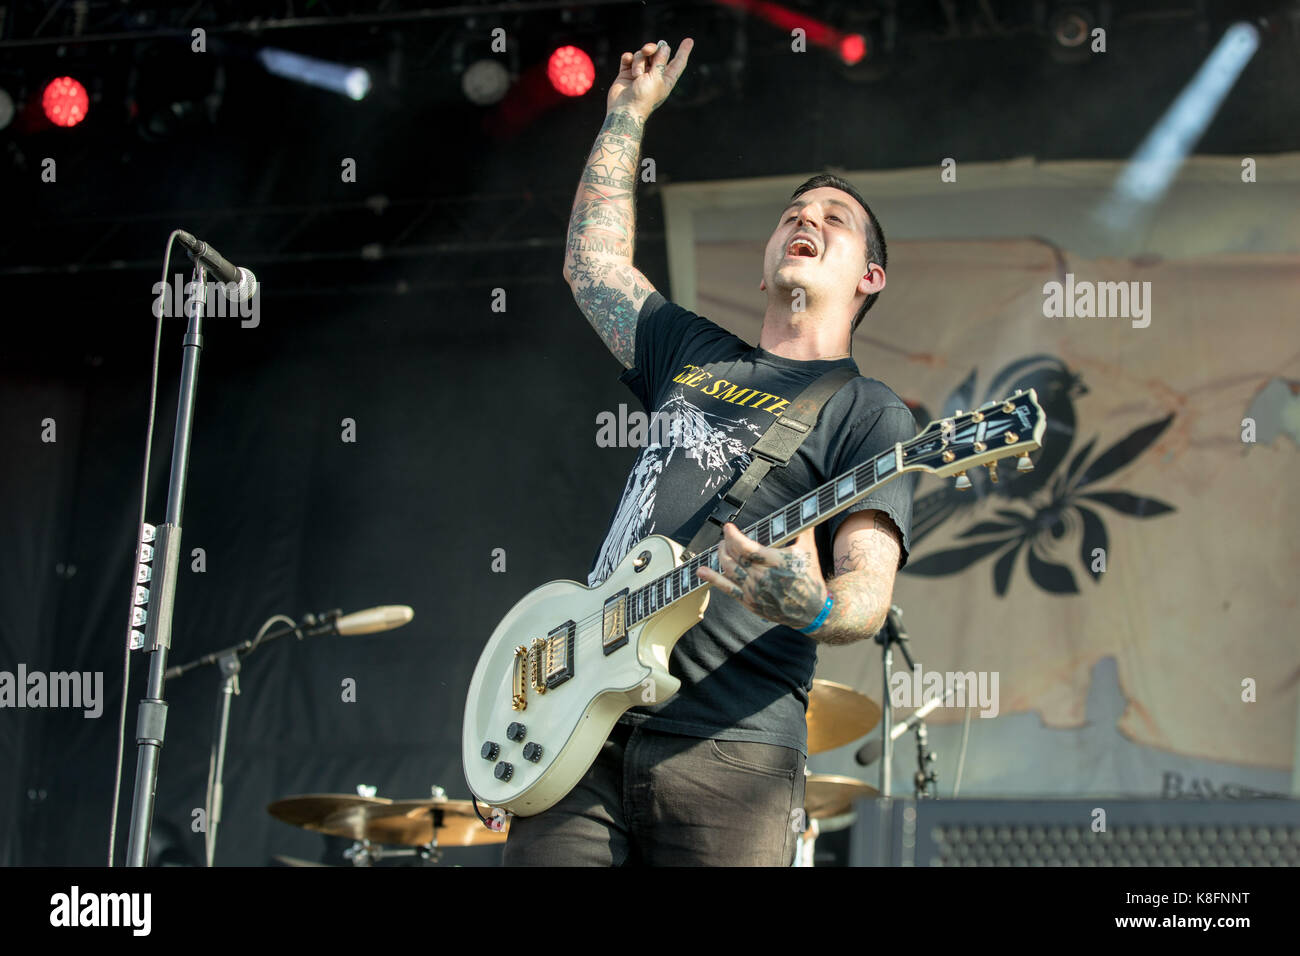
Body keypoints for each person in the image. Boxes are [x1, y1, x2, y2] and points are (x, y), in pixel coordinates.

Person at [503, 38, 916, 866]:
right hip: (582, 727)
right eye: (796, 214)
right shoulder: (695, 351)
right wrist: (626, 113)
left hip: (734, 751)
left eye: (835, 219)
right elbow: (592, 265)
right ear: (765, 268)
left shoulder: (870, 413)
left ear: (870, 277)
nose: (808, 220)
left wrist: (818, 607)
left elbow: (869, 592)